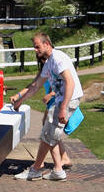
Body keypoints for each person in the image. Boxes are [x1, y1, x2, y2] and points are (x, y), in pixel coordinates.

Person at [10, 31, 82, 181]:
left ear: (46, 44)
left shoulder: (58, 58)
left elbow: (70, 82)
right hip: (61, 101)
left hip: (67, 100)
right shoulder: (48, 63)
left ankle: (35, 170)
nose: (35, 50)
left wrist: (63, 107)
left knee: (47, 135)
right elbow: (35, 86)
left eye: (37, 47)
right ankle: (58, 170)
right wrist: (20, 100)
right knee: (50, 134)